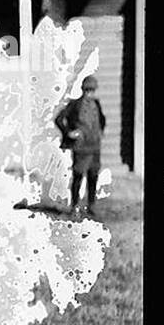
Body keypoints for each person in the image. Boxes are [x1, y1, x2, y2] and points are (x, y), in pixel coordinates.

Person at [54, 74, 107, 218]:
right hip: (81, 148)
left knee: (93, 176)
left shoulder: (97, 104)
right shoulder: (74, 104)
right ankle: (74, 206)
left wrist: (100, 133)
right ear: (83, 89)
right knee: (78, 176)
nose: (89, 93)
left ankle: (91, 205)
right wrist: (69, 133)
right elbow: (59, 119)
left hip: (95, 146)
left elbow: (102, 119)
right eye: (87, 90)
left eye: (92, 90)